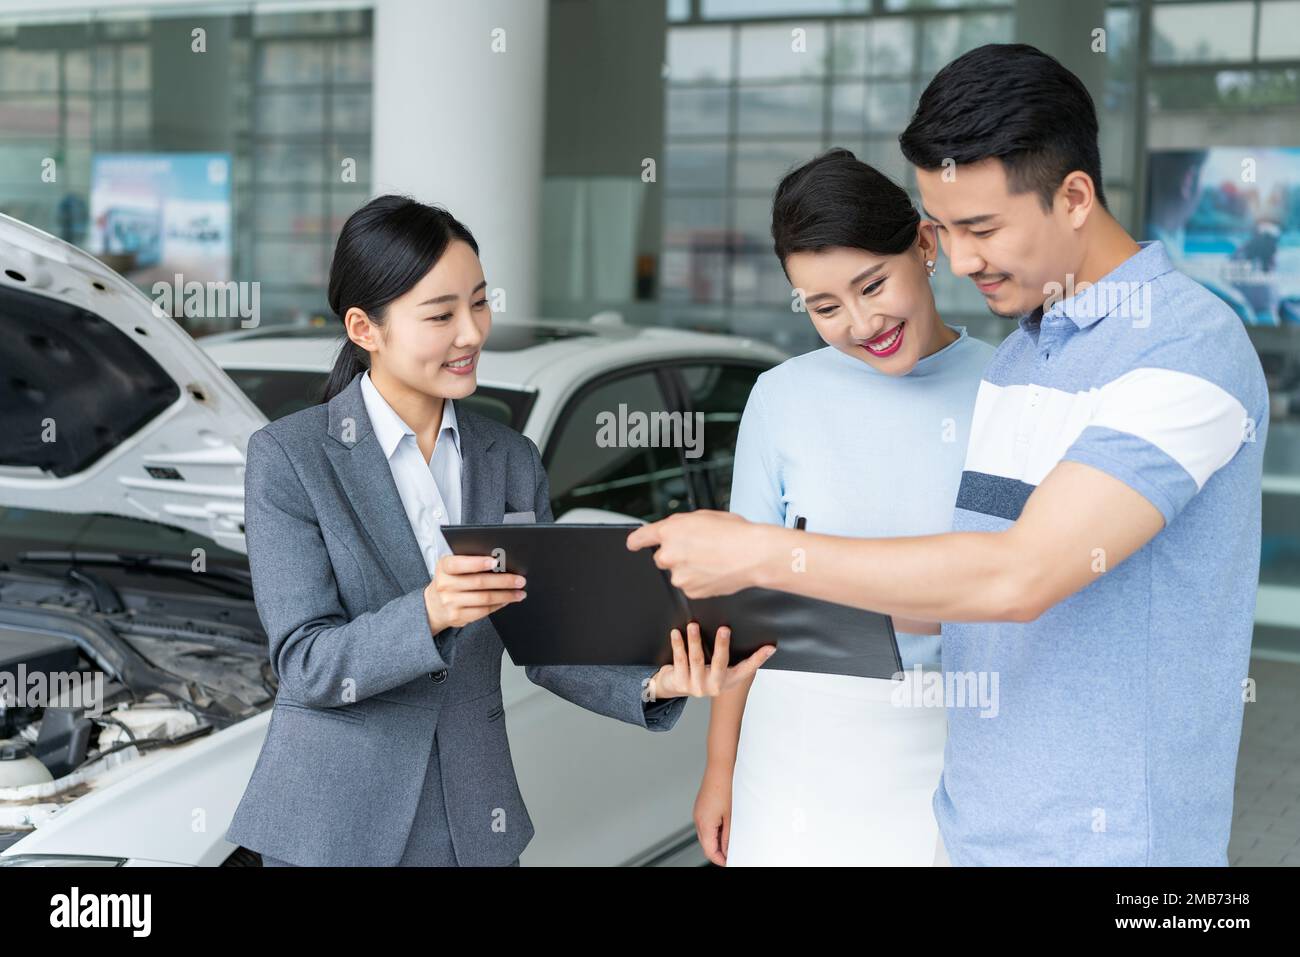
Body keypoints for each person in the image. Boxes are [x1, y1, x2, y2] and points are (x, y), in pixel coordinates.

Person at [630, 44, 1269, 867]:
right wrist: (716, 618)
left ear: (1074, 196)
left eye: (982, 227)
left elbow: (1016, 576)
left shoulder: (1187, 345)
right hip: (970, 833)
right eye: (946, 227)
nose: (963, 260)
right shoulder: (1019, 361)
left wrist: (764, 552)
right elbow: (954, 609)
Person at [225, 195, 771, 867]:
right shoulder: (290, 457)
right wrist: (431, 610)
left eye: (478, 303)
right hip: (329, 831)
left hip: (472, 827)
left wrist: (656, 681)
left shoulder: (508, 457)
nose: (471, 332)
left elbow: (544, 639)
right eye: (441, 314)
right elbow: (306, 664)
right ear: (365, 328)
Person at [693, 149, 993, 866]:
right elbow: (745, 603)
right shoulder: (781, 398)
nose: (860, 322)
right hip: (791, 741)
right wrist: (718, 770)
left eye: (872, 285)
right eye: (825, 306)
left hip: (950, 734)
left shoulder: (1007, 387)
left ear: (926, 246)